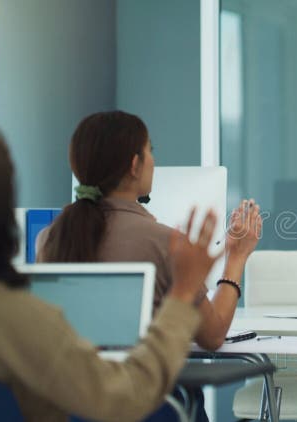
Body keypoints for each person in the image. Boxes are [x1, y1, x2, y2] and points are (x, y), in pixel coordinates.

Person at [0, 127, 218, 421]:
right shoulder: (10, 317)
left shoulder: (48, 239)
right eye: (150, 150)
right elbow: (122, 398)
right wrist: (184, 291)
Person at [38, 111, 262, 352]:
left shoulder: (49, 238)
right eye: (150, 150)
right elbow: (213, 335)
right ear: (135, 165)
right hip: (135, 386)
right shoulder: (165, 243)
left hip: (67, 387)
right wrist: (236, 258)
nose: (153, 161)